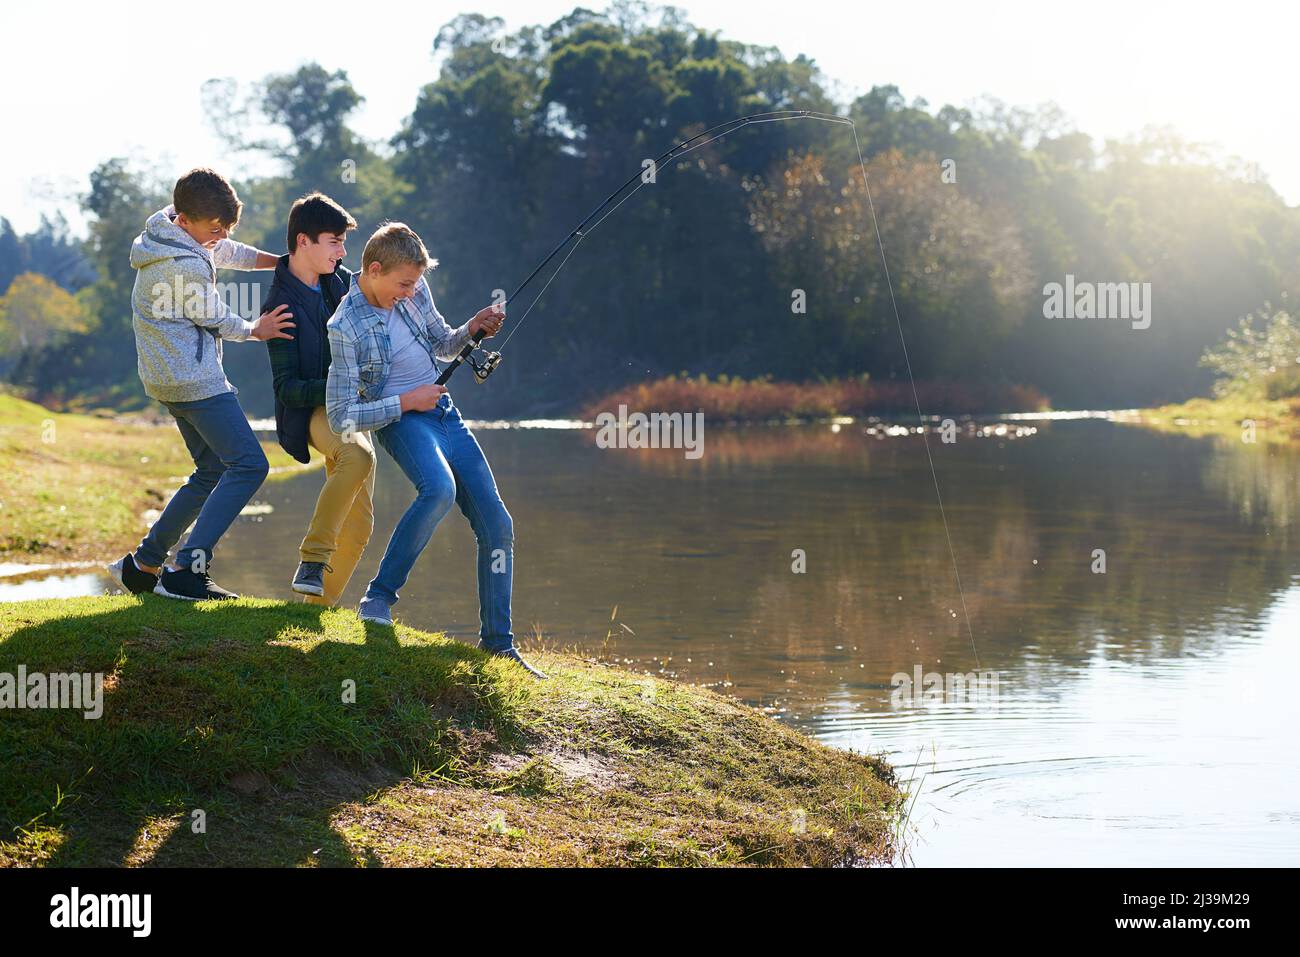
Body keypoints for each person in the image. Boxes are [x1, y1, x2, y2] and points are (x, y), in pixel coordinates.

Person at [325, 222, 545, 678]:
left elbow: (444, 344)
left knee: (498, 524)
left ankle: (498, 645)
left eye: (416, 283)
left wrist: (473, 328)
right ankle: (378, 599)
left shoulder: (414, 289)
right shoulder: (344, 326)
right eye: (403, 284)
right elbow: (342, 416)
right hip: (402, 421)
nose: (410, 292)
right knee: (439, 489)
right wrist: (407, 401)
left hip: (446, 415)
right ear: (373, 269)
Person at [107, 168, 294, 601]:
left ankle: (142, 565)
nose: (222, 235)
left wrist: (276, 261)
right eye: (216, 228)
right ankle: (187, 572)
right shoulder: (184, 265)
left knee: (211, 470)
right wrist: (255, 329)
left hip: (167, 377)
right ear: (187, 220)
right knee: (250, 465)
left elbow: (223, 249)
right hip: (193, 380)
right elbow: (215, 317)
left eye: (227, 226)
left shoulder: (169, 234)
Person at [262, 192, 375, 605]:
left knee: (360, 527)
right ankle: (311, 560)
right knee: (358, 457)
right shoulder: (280, 306)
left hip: (351, 406)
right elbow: (286, 388)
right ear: (303, 242)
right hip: (312, 411)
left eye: (344, 242)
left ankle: (313, 612)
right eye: (334, 241)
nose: (343, 251)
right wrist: (338, 384)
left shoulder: (341, 284)